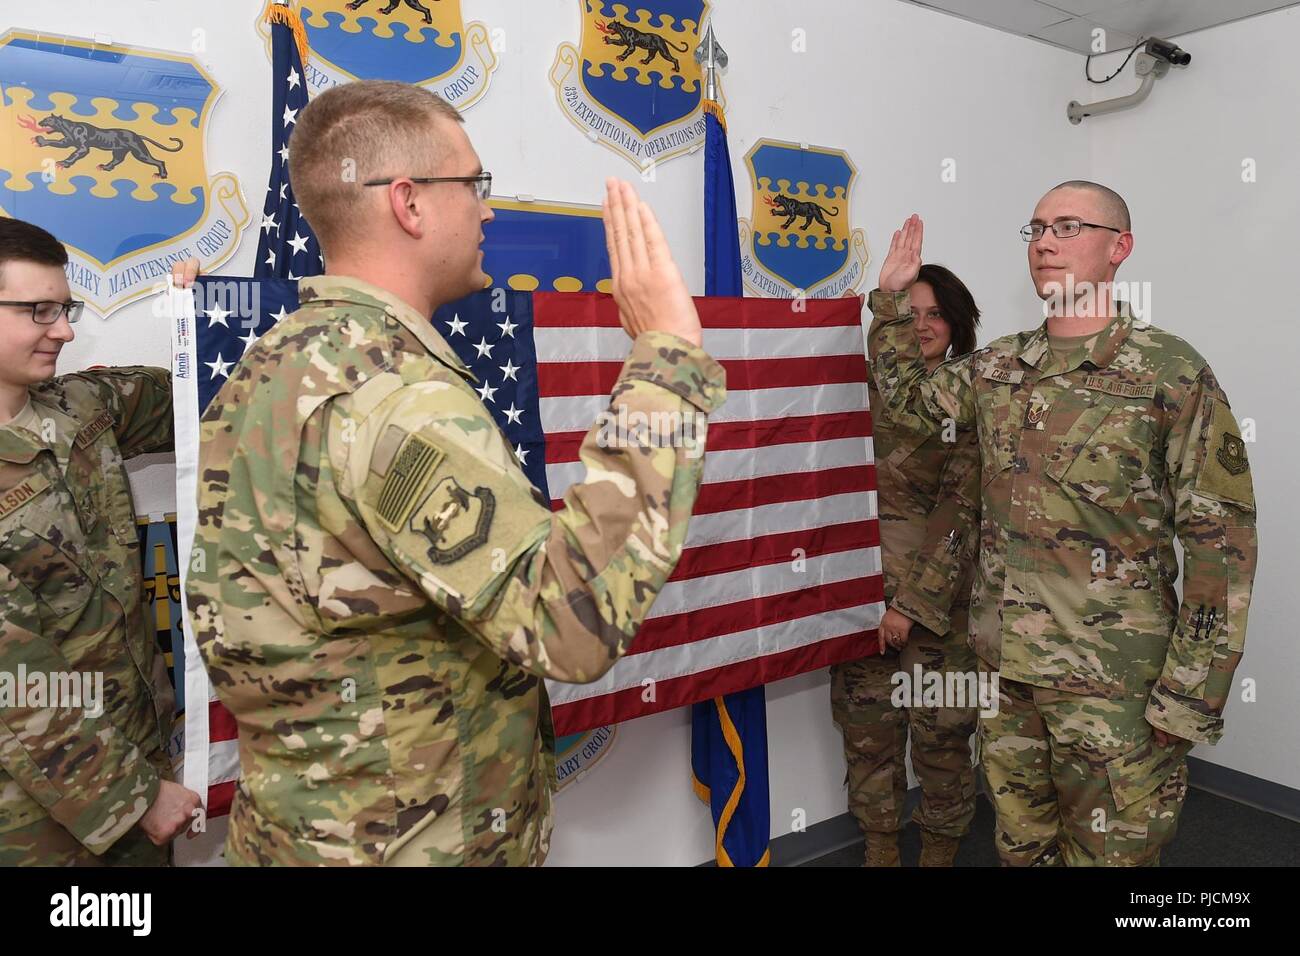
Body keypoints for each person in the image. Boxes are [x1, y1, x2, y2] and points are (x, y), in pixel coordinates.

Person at [185, 80, 726, 866]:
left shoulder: (271, 363)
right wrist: (667, 362)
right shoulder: (392, 396)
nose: (488, 209)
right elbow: (567, 624)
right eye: (474, 184)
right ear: (408, 203)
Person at [866, 183, 1257, 866]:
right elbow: (906, 405)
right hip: (1007, 675)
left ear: (1118, 249)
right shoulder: (996, 368)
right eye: (1038, 228)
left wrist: (1189, 696)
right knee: (1022, 851)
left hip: (1116, 689)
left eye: (1069, 227)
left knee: (1112, 860)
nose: (1045, 241)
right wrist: (894, 301)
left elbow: (1221, 544)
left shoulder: (1169, 372)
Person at [0, 216, 202, 865]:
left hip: (142, 765)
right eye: (39, 311)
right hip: (40, 820)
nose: (64, 330)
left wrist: (207, 314)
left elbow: (210, 394)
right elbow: (16, 684)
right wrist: (135, 797)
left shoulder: (81, 406)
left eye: (65, 308)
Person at [832, 266, 982, 867]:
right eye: (910, 313)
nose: (921, 326)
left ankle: (940, 854)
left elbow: (962, 514)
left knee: (942, 741)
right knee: (867, 738)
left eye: (935, 314)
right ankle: (880, 850)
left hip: (939, 611)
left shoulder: (969, 399)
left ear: (957, 324)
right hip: (860, 599)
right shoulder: (858, 394)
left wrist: (909, 608)